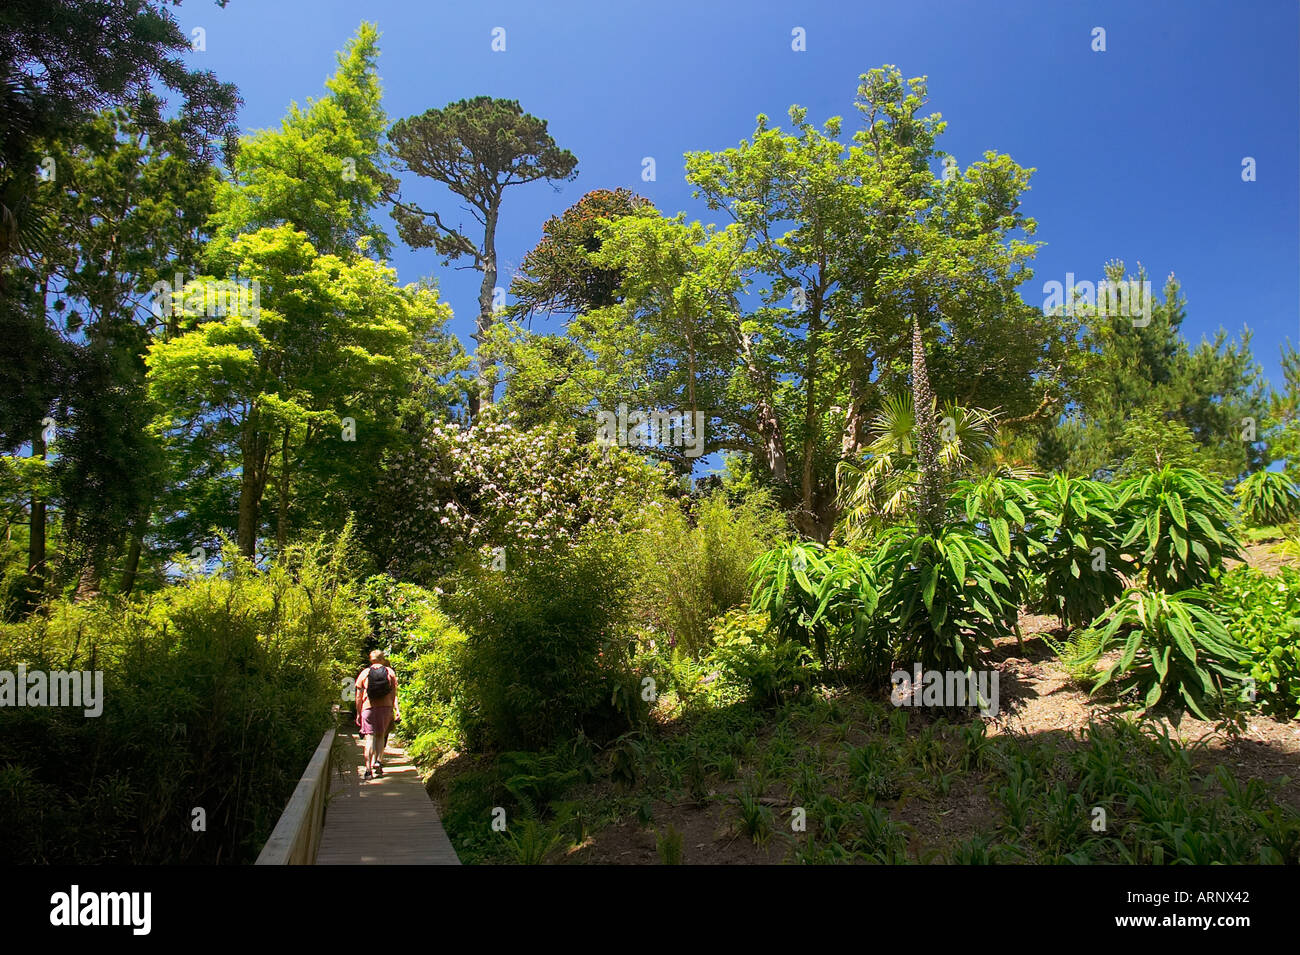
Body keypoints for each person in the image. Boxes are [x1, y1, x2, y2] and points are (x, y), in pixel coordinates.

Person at [354, 650, 399, 781]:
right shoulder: (390, 672)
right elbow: (393, 694)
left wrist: (358, 712)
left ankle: (368, 770)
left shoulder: (365, 673)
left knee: (369, 739)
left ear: (371, 659)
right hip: (385, 708)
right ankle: (378, 761)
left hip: (368, 707)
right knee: (380, 736)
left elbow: (358, 696)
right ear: (382, 659)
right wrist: (393, 709)